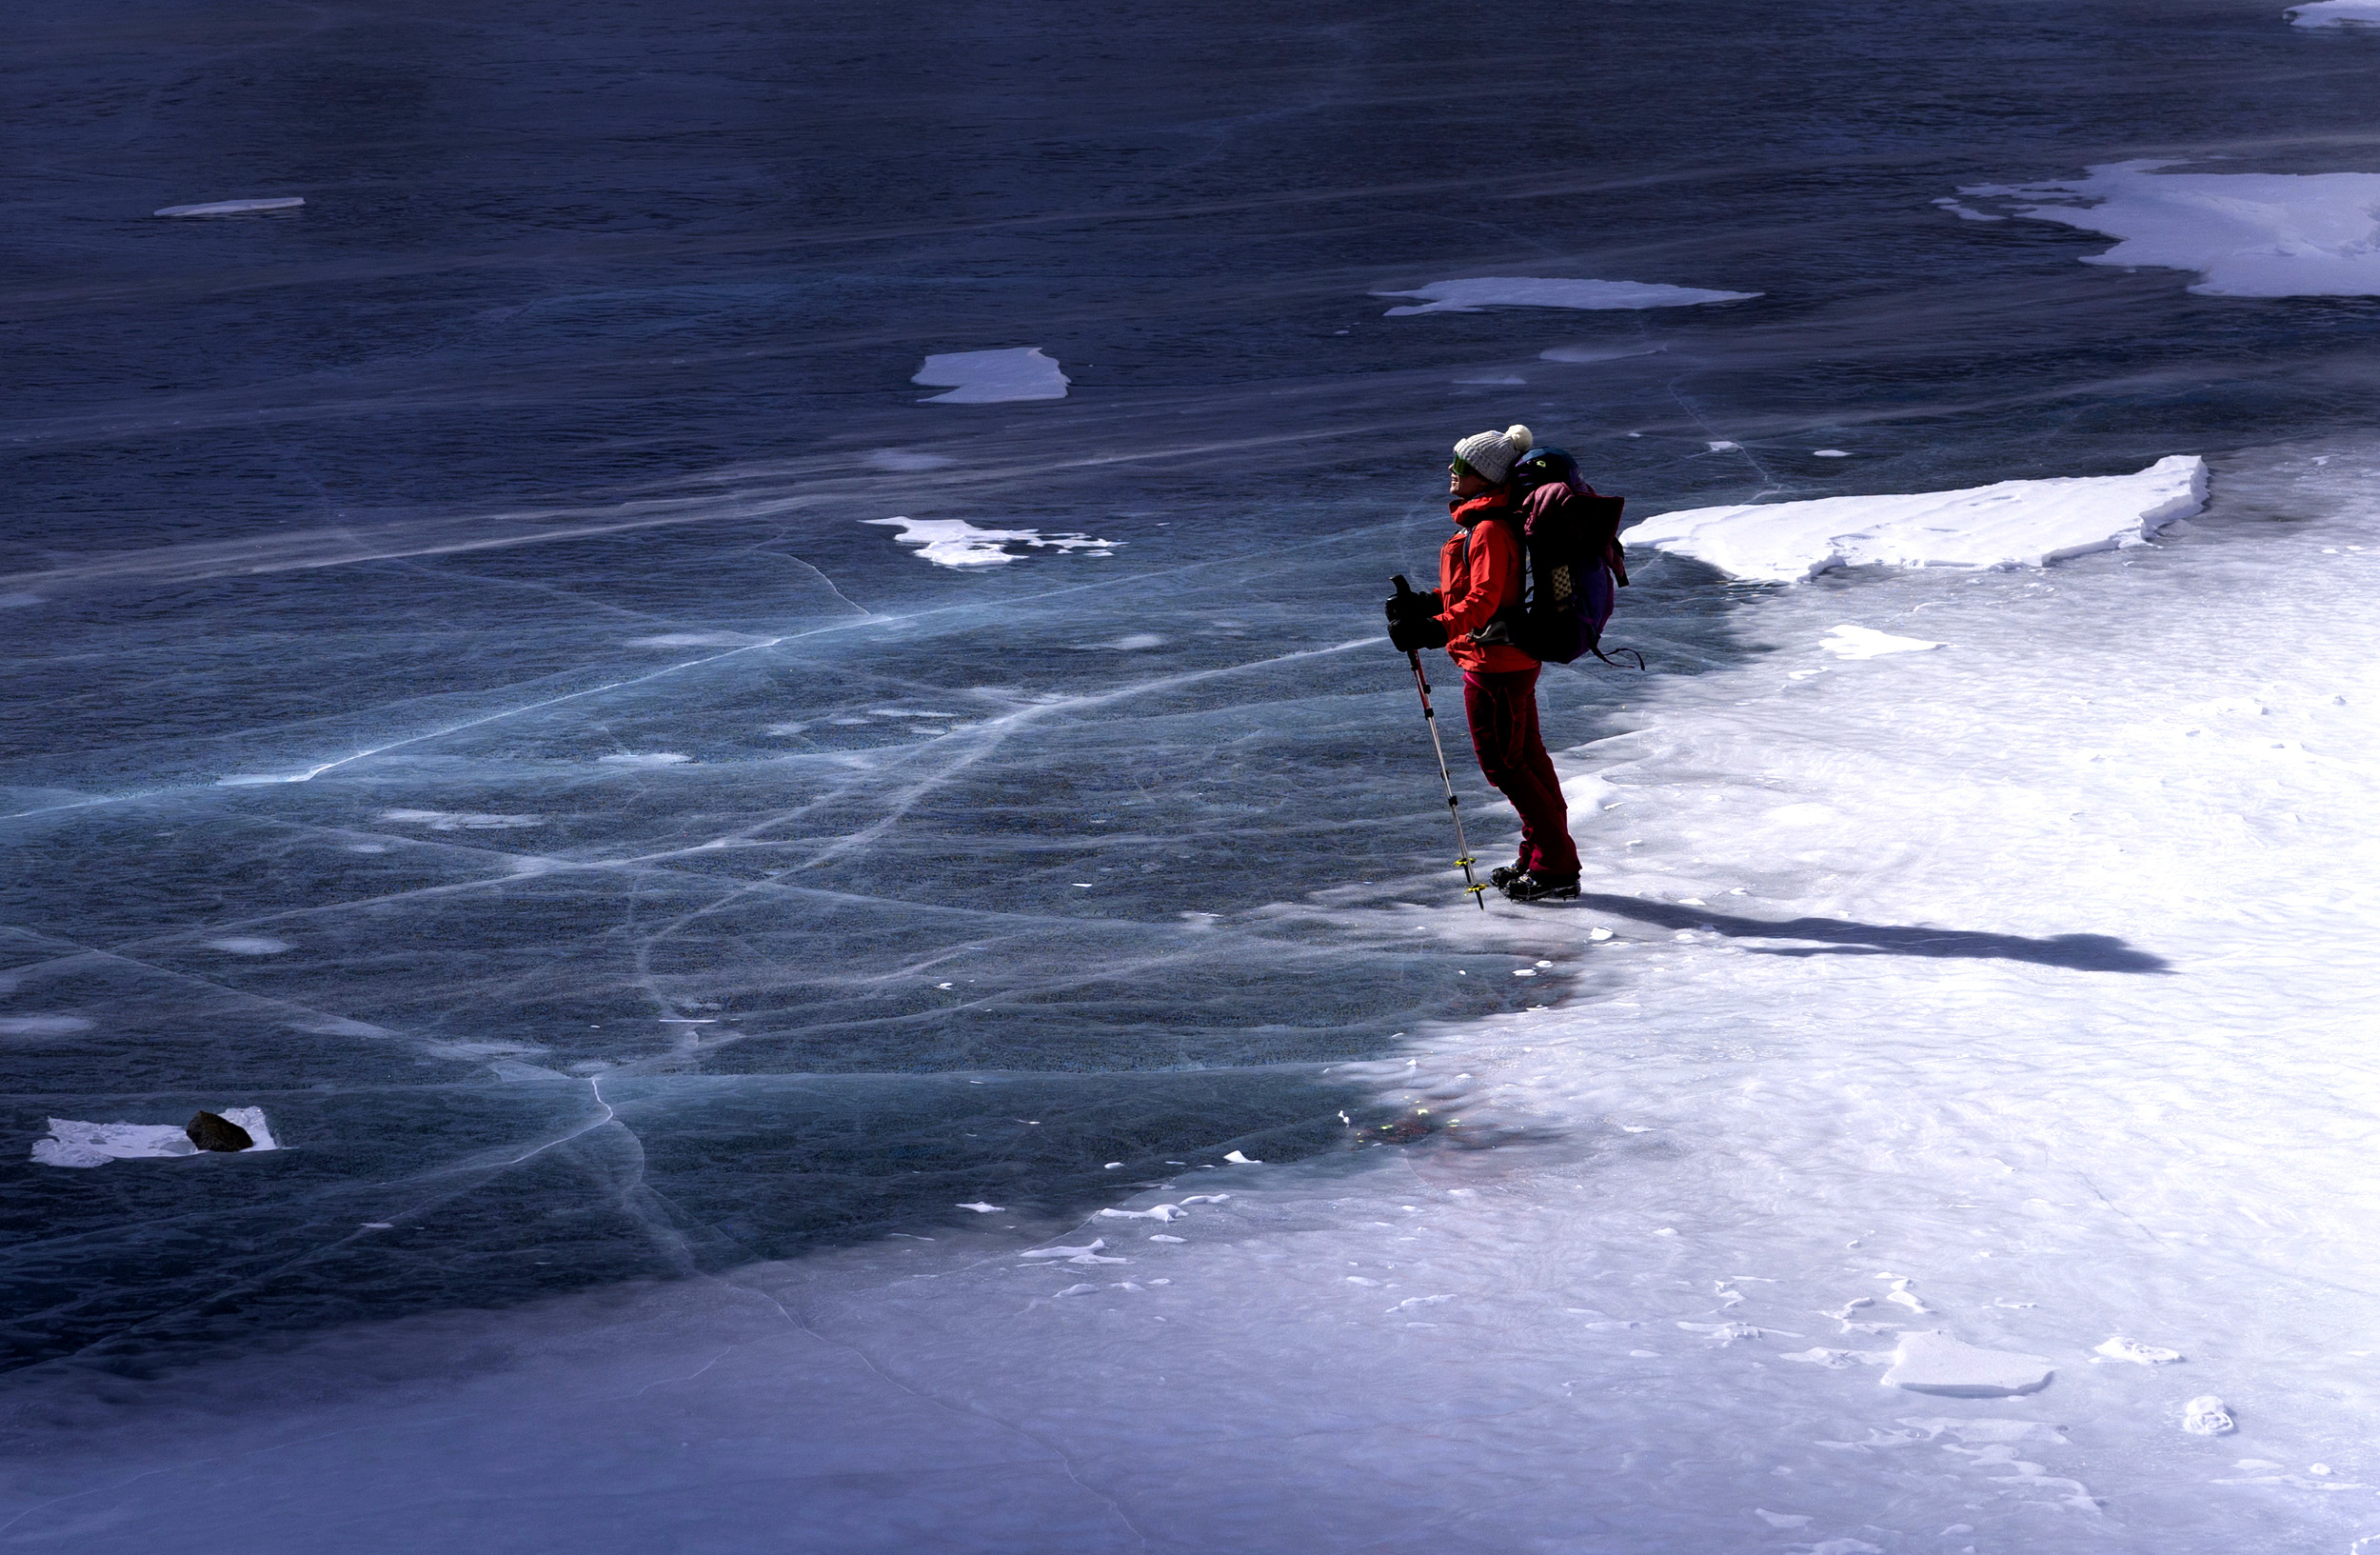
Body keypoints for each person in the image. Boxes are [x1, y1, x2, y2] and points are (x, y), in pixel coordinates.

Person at [1385, 424, 1580, 903]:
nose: (1451, 473)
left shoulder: (1490, 527)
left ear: (1486, 477)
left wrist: (1436, 630)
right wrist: (1426, 605)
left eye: (1462, 466)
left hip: (1497, 664)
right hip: (1506, 657)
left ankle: (1556, 866)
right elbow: (1478, 593)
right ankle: (1539, 857)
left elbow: (1486, 600)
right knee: (1527, 760)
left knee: (1505, 767)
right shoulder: (1485, 522)